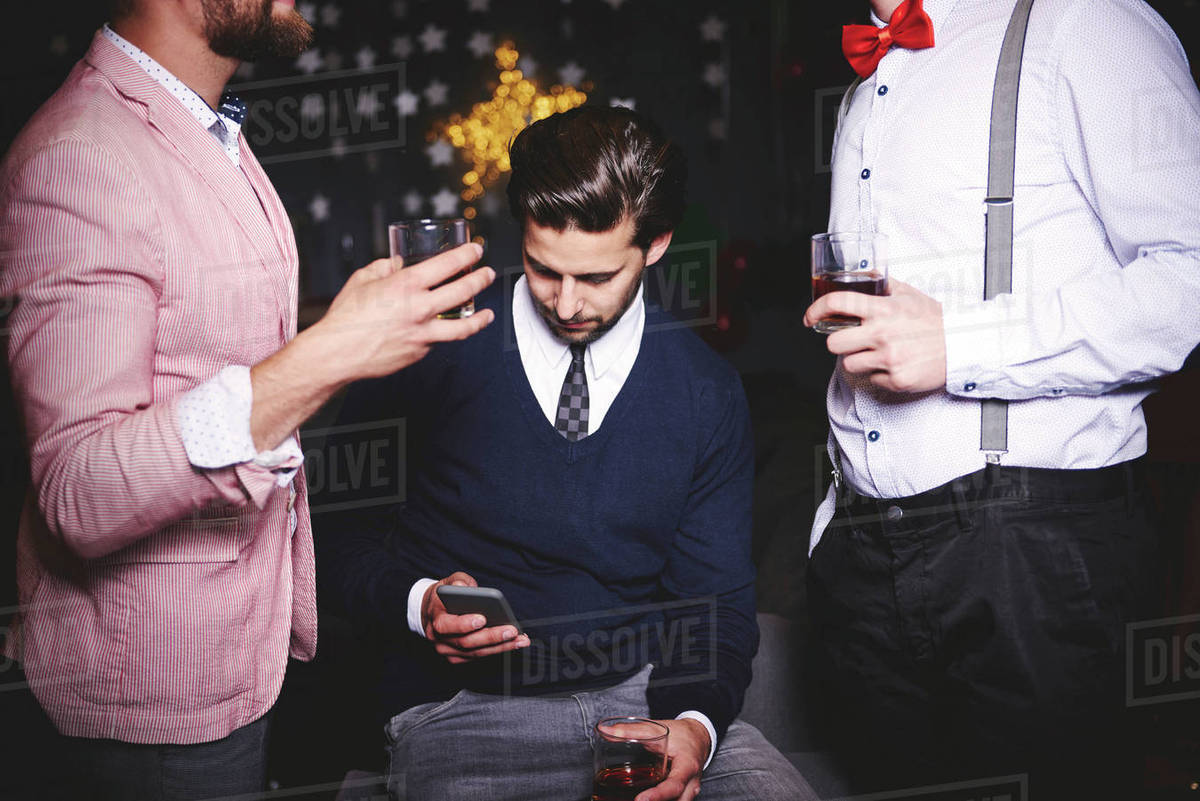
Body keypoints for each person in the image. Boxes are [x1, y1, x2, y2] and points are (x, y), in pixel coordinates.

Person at [0, 0, 495, 796]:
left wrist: (344, 336)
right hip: (150, 698)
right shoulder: (81, 154)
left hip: (239, 659)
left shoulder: (200, 127)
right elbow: (77, 488)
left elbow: (200, 340)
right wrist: (327, 354)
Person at [318, 105, 815, 801]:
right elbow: (328, 532)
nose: (567, 303)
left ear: (659, 242)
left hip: (645, 702)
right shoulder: (429, 347)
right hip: (462, 708)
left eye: (597, 277)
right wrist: (417, 602)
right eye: (543, 269)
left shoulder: (706, 391)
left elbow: (715, 605)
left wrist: (694, 727)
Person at [803, 0, 1200, 798]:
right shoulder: (866, 88)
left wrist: (963, 344)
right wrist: (830, 534)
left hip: (1029, 554)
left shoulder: (1088, 24)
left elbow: (1189, 276)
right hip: (863, 557)